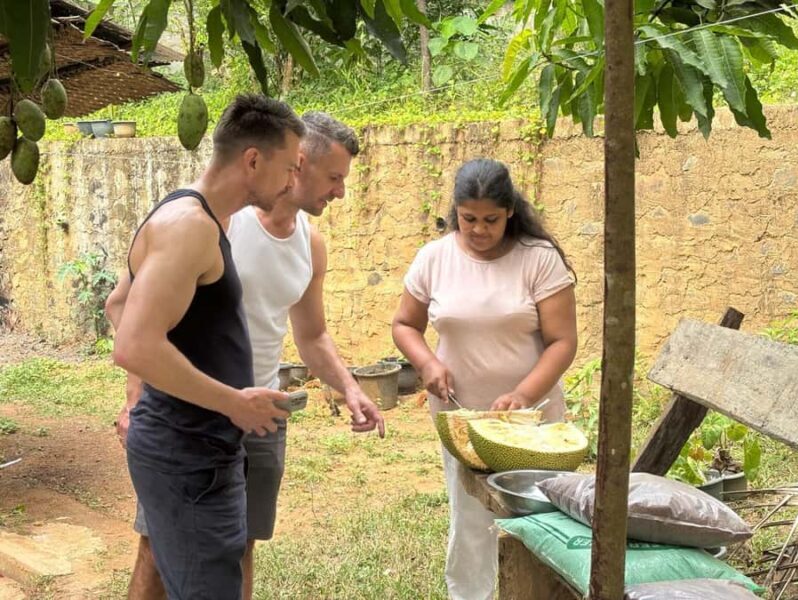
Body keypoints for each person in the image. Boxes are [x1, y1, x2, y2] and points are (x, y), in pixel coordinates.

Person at [107, 111, 385, 599]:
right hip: (189, 422)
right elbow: (133, 324)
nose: (340, 192)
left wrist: (349, 387)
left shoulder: (307, 244)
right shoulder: (210, 222)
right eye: (333, 177)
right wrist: (141, 398)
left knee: (235, 548)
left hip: (256, 417)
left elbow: (312, 335)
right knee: (159, 553)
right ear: (287, 163)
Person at [106, 93, 305, 600]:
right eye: (289, 168)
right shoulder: (190, 227)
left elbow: (118, 304)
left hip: (193, 447)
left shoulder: (195, 217)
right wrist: (232, 402)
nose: (292, 183)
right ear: (253, 160)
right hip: (188, 455)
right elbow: (133, 344)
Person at [391, 158, 578, 600]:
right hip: (463, 418)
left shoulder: (538, 258)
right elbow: (404, 325)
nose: (478, 229)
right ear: (455, 211)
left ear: (510, 211)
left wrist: (523, 395)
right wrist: (427, 363)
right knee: (471, 516)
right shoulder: (435, 258)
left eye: (490, 220)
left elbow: (563, 342)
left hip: (532, 420)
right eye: (468, 218)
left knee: (538, 515)